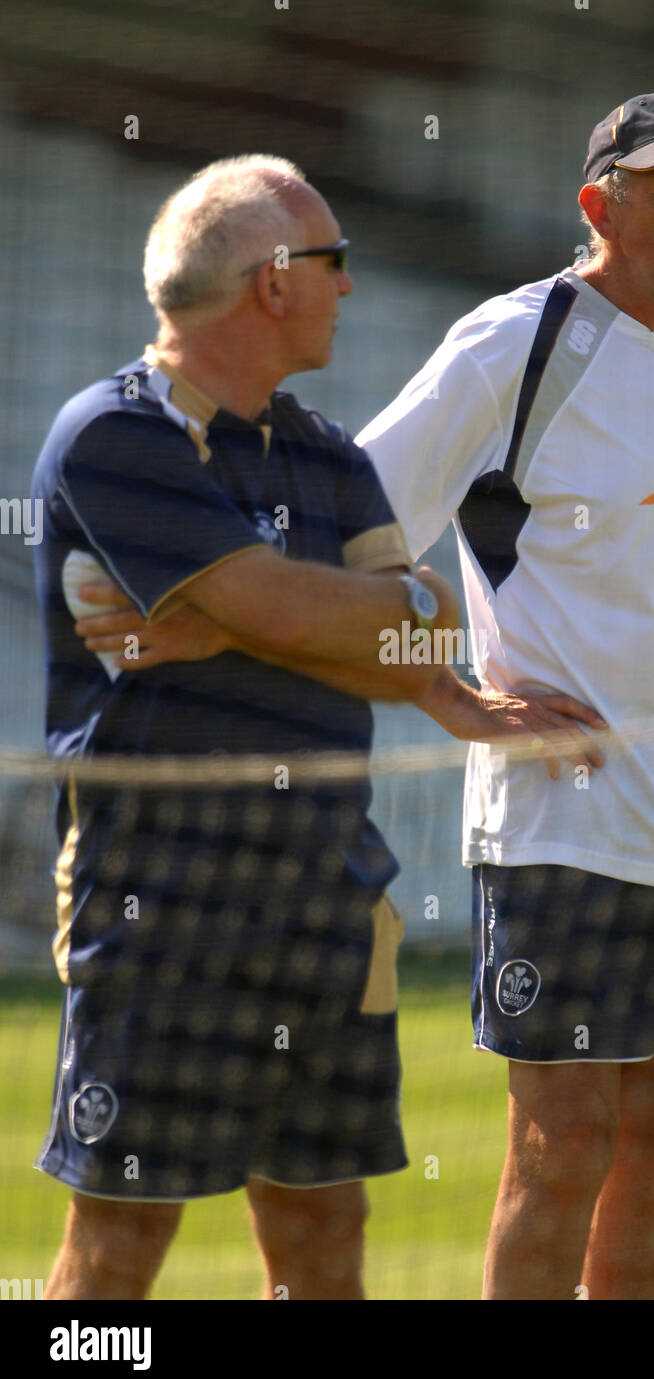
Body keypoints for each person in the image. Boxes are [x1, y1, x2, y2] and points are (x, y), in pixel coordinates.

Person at [354, 91, 654, 1299]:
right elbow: (352, 538)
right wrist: (454, 699)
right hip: (566, 831)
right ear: (595, 204)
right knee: (559, 1153)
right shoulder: (512, 346)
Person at [31, 154, 460, 1301]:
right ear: (273, 282)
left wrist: (264, 611)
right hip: (161, 902)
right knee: (120, 1246)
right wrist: (336, 607)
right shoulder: (111, 436)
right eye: (334, 265)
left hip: (326, 895)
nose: (348, 289)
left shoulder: (324, 449)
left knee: (326, 1239)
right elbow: (299, 606)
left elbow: (426, 640)